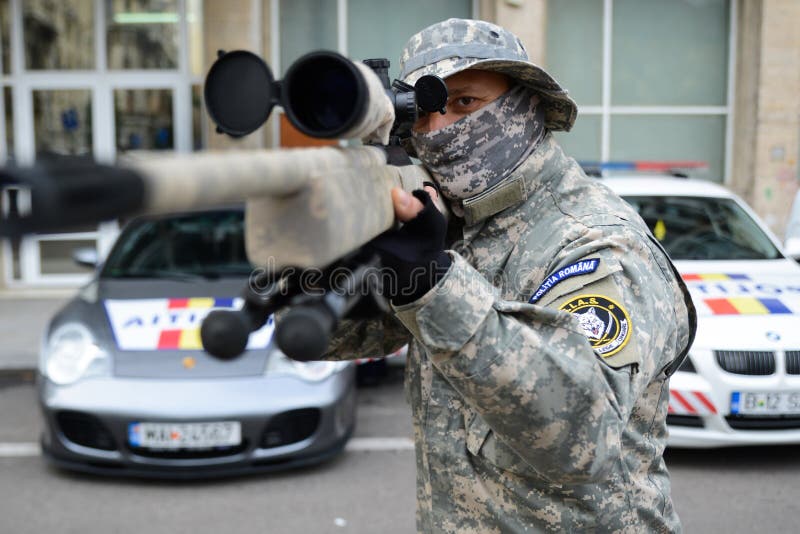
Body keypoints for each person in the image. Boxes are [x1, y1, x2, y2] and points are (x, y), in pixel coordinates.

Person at [323, 18, 696, 533]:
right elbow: (336, 336)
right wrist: (316, 260)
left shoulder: (595, 240)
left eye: (464, 103)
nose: (439, 130)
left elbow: (581, 434)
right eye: (423, 112)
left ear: (528, 106)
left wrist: (433, 286)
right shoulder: (450, 225)